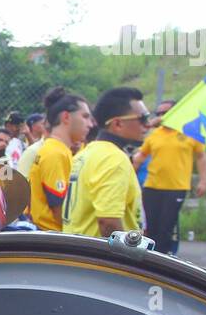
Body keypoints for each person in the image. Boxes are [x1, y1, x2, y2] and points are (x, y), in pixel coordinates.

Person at [62, 88, 147, 238]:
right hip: (96, 258)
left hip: (77, 252)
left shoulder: (87, 153)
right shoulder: (113, 158)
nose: (147, 125)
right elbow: (108, 223)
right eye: (142, 118)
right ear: (118, 124)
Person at [131, 99, 206, 255]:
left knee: (166, 228)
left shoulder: (189, 132)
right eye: (159, 113)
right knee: (149, 228)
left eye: (165, 112)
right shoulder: (154, 135)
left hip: (176, 187)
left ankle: (162, 261)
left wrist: (203, 180)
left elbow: (201, 156)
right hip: (152, 186)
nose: (161, 116)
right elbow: (140, 157)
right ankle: (147, 261)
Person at [28, 89, 92, 231]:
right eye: (85, 116)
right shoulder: (55, 153)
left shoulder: (58, 149)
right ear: (66, 117)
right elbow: (60, 209)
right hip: (52, 239)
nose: (90, 124)